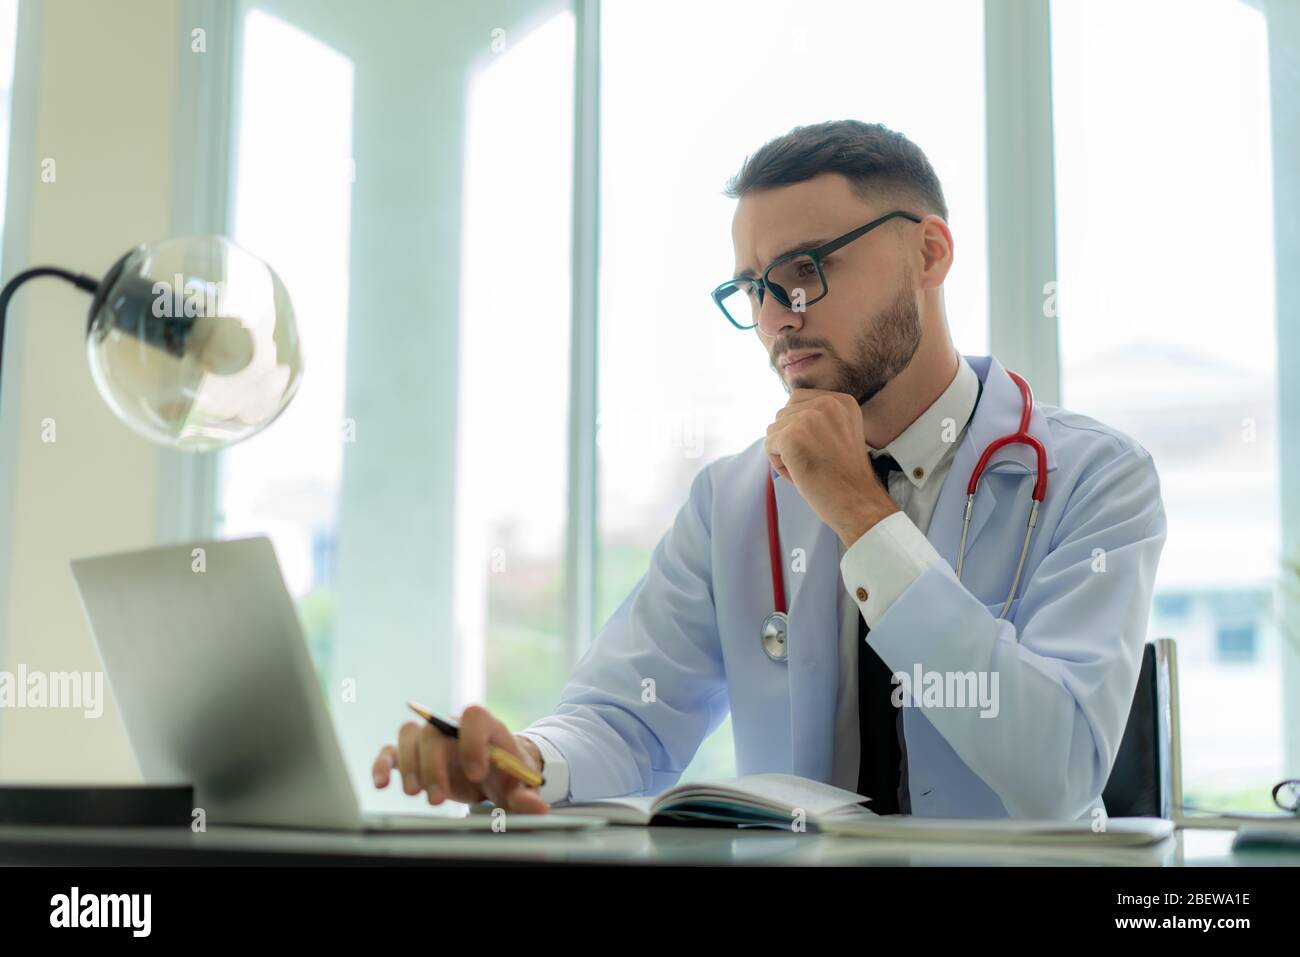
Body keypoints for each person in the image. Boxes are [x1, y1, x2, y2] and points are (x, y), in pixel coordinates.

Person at [372, 120, 1167, 819]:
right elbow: (628, 719)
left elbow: (1057, 772)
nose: (779, 313)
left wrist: (862, 514)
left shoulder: (1096, 479)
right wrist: (527, 759)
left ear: (929, 252)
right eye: (754, 287)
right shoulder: (732, 500)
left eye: (807, 266)